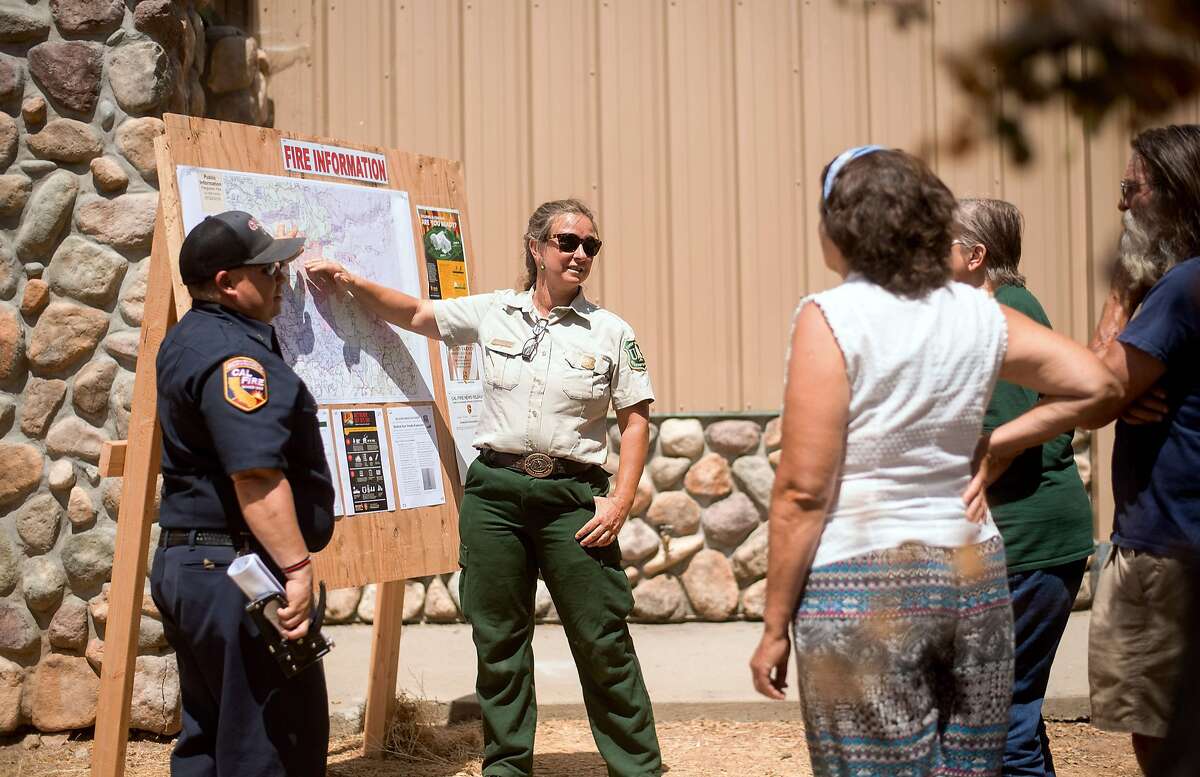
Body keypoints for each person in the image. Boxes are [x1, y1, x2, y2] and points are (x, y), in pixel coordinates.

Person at [748, 147, 1120, 777]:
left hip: (864, 577)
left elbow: (802, 493)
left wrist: (774, 623)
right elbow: (1099, 386)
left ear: (841, 227)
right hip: (974, 574)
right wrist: (999, 441)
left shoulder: (832, 317)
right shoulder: (979, 312)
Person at [306, 198, 661, 777]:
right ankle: (507, 768)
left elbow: (636, 419)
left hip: (573, 500)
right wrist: (350, 282)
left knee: (602, 639)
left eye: (590, 246)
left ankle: (639, 768)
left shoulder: (611, 332)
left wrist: (620, 500)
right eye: (568, 242)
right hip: (496, 496)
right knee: (499, 643)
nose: (580, 254)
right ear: (536, 248)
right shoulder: (495, 312)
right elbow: (417, 313)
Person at [151, 210, 336, 777]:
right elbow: (255, 475)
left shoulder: (190, 338)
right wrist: (297, 570)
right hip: (235, 572)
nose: (281, 279)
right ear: (228, 282)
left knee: (209, 742)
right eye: (269, 270)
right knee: (271, 747)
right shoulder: (237, 360)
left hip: (196, 565)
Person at [950, 198, 1094, 777]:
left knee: (1000, 722)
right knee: (1014, 711)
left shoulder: (1003, 315)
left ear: (975, 256)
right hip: (1021, 545)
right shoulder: (1001, 308)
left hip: (1026, 547)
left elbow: (1002, 436)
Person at [1083, 124, 1200, 774]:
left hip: (1167, 553)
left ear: (1175, 193)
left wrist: (1121, 291)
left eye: (1133, 188)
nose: (1121, 203)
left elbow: (1094, 387)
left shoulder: (1178, 288)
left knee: (1162, 740)